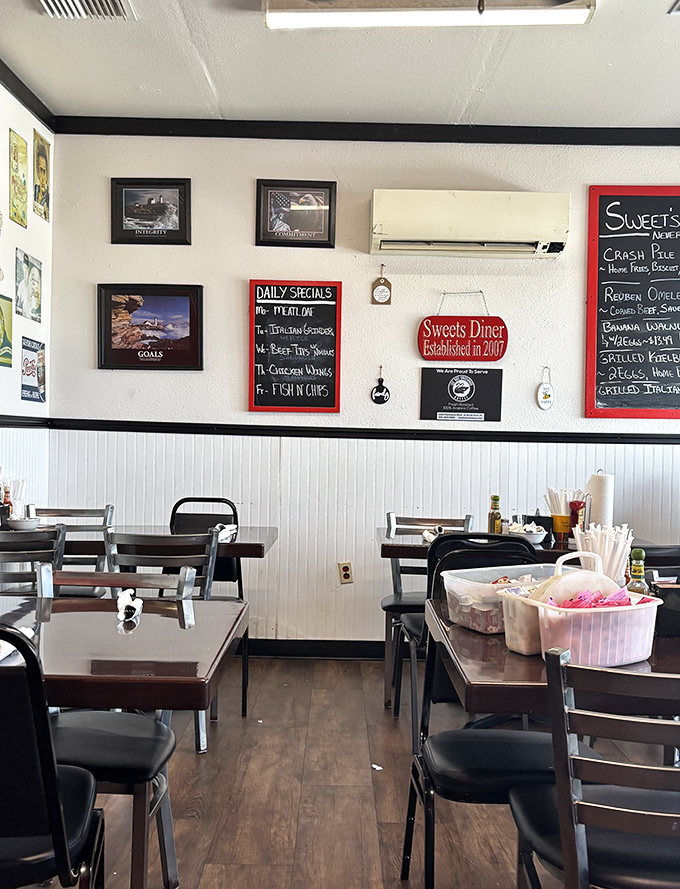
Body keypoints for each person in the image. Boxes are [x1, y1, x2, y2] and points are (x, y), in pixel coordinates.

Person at [34, 142, 49, 215]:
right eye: (41, 170)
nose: (43, 177)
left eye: (44, 172)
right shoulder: (34, 191)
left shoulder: (48, 199)